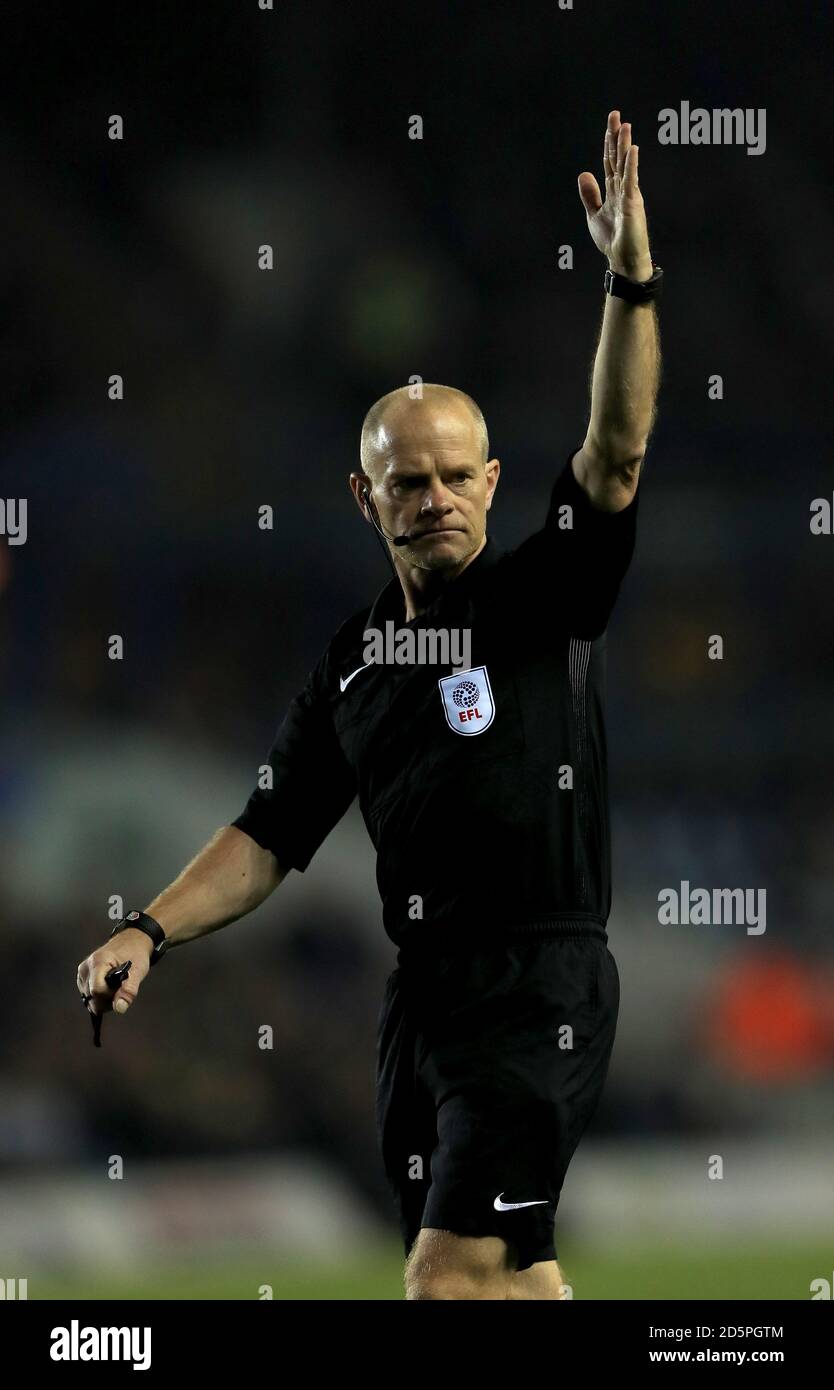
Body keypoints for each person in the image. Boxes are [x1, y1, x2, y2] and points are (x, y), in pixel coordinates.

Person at [77, 110, 661, 1300]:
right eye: (412, 480)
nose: (439, 497)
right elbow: (268, 833)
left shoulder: (544, 593)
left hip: (535, 985)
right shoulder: (352, 661)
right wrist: (146, 926)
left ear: (494, 483)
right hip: (427, 1002)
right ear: (367, 496)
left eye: (460, 476)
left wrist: (630, 280)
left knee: (446, 1280)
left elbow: (615, 451)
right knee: (515, 1281)